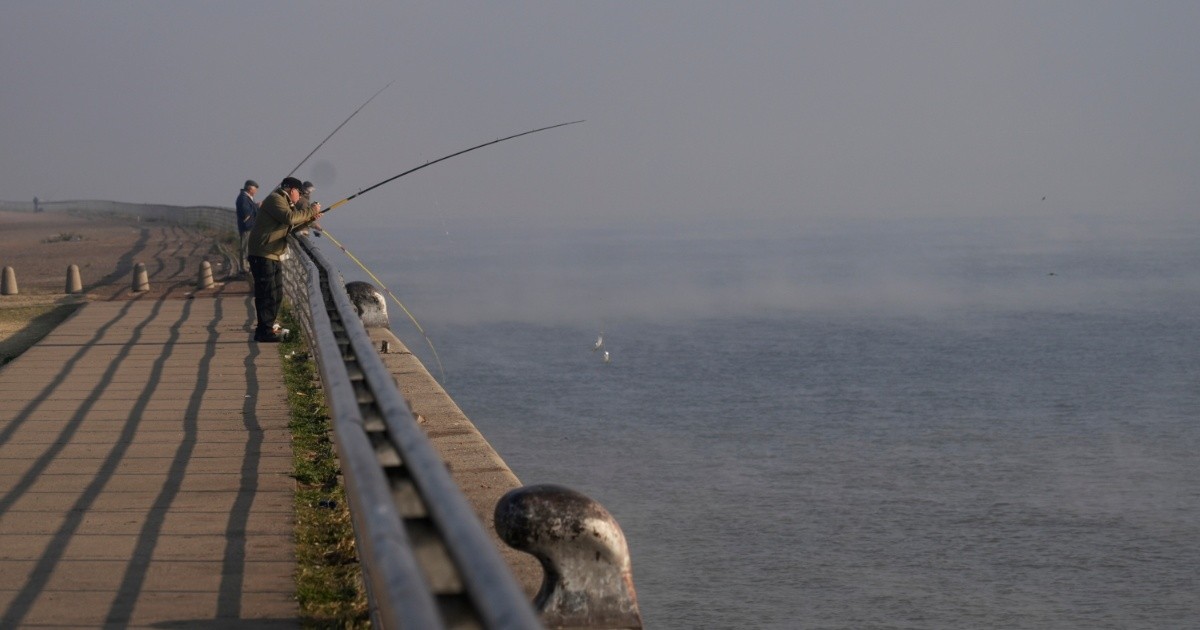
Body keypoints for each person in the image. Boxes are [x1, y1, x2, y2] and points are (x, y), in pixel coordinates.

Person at [247, 177, 321, 342]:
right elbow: (289, 218)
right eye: (299, 193)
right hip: (262, 252)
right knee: (267, 293)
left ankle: (267, 327)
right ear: (292, 190)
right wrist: (311, 210)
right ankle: (264, 331)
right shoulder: (276, 199)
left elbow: (291, 226)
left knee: (277, 293)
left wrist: (309, 219)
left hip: (273, 252)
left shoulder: (285, 202)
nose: (300, 197)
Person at [234, 180, 259, 276]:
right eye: (255, 190)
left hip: (249, 227)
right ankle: (244, 268)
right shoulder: (243, 198)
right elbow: (246, 213)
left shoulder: (246, 197)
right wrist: (256, 206)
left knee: (248, 247)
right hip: (246, 227)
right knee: (245, 247)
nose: (256, 192)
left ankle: (247, 266)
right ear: (250, 189)